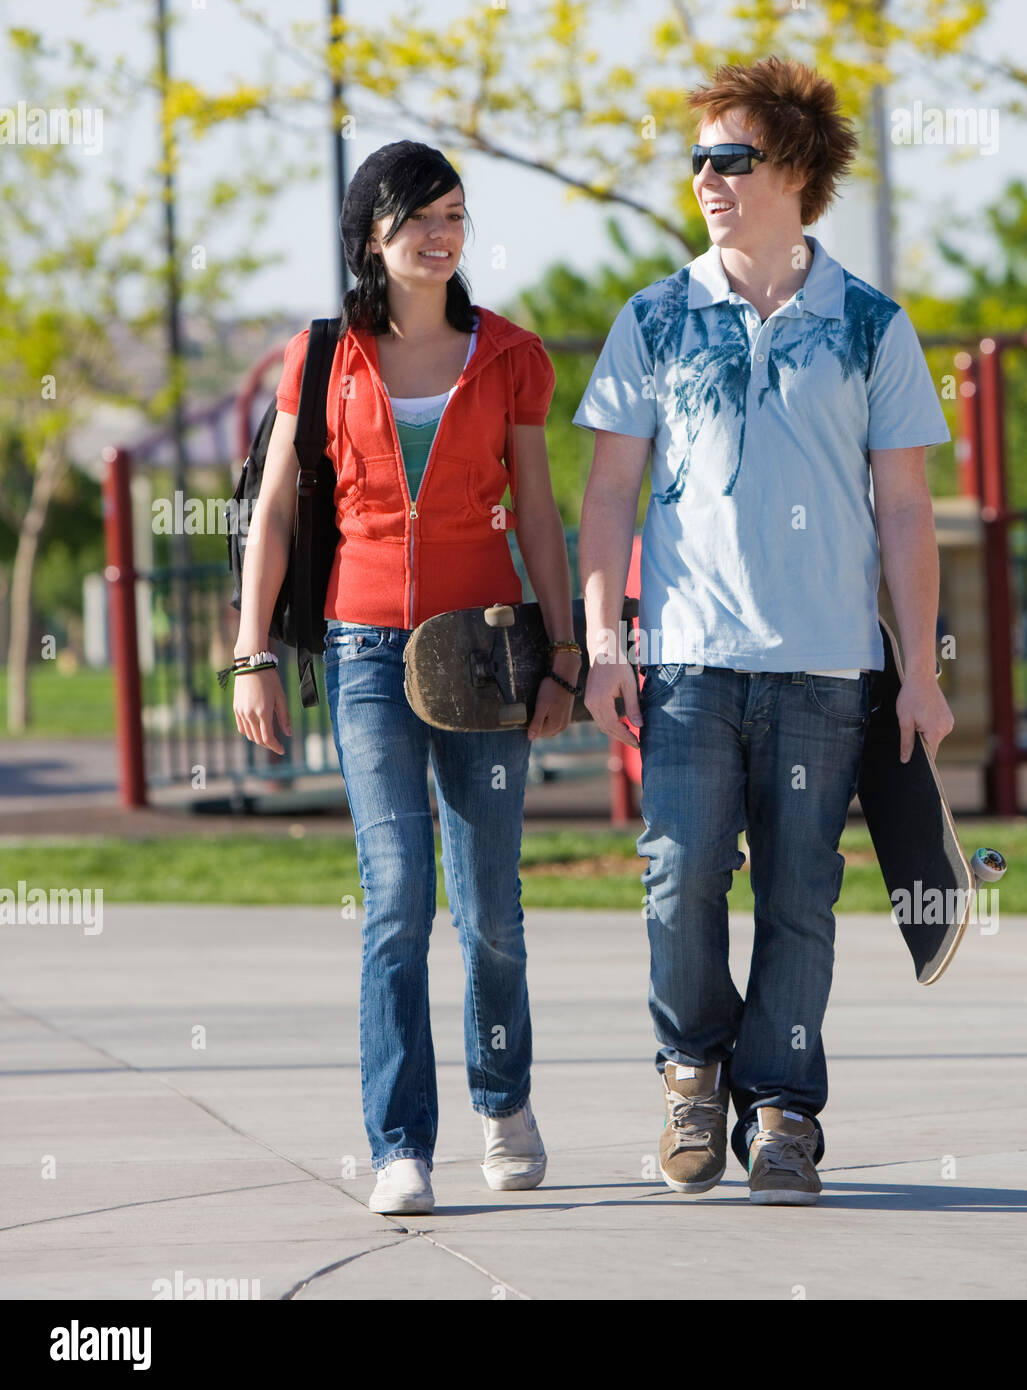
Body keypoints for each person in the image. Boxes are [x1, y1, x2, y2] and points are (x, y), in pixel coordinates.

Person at [575, 58, 954, 1205]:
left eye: (730, 158)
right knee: (678, 876)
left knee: (799, 892)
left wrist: (923, 671)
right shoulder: (652, 318)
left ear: (792, 168)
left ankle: (782, 1109)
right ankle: (693, 1068)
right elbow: (603, 497)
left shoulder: (873, 325)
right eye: (697, 157)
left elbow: (904, 510)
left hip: (824, 667)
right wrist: (602, 638)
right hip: (685, 662)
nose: (706, 177)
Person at [230, 141, 579, 1215]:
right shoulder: (321, 356)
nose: (442, 233)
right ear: (370, 235)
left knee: (489, 909)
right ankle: (399, 1143)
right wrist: (253, 654)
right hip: (364, 647)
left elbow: (541, 512)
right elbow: (278, 507)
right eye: (419, 216)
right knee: (395, 901)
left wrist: (564, 651)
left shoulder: (510, 356)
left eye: (456, 215)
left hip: (483, 648)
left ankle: (504, 1097)